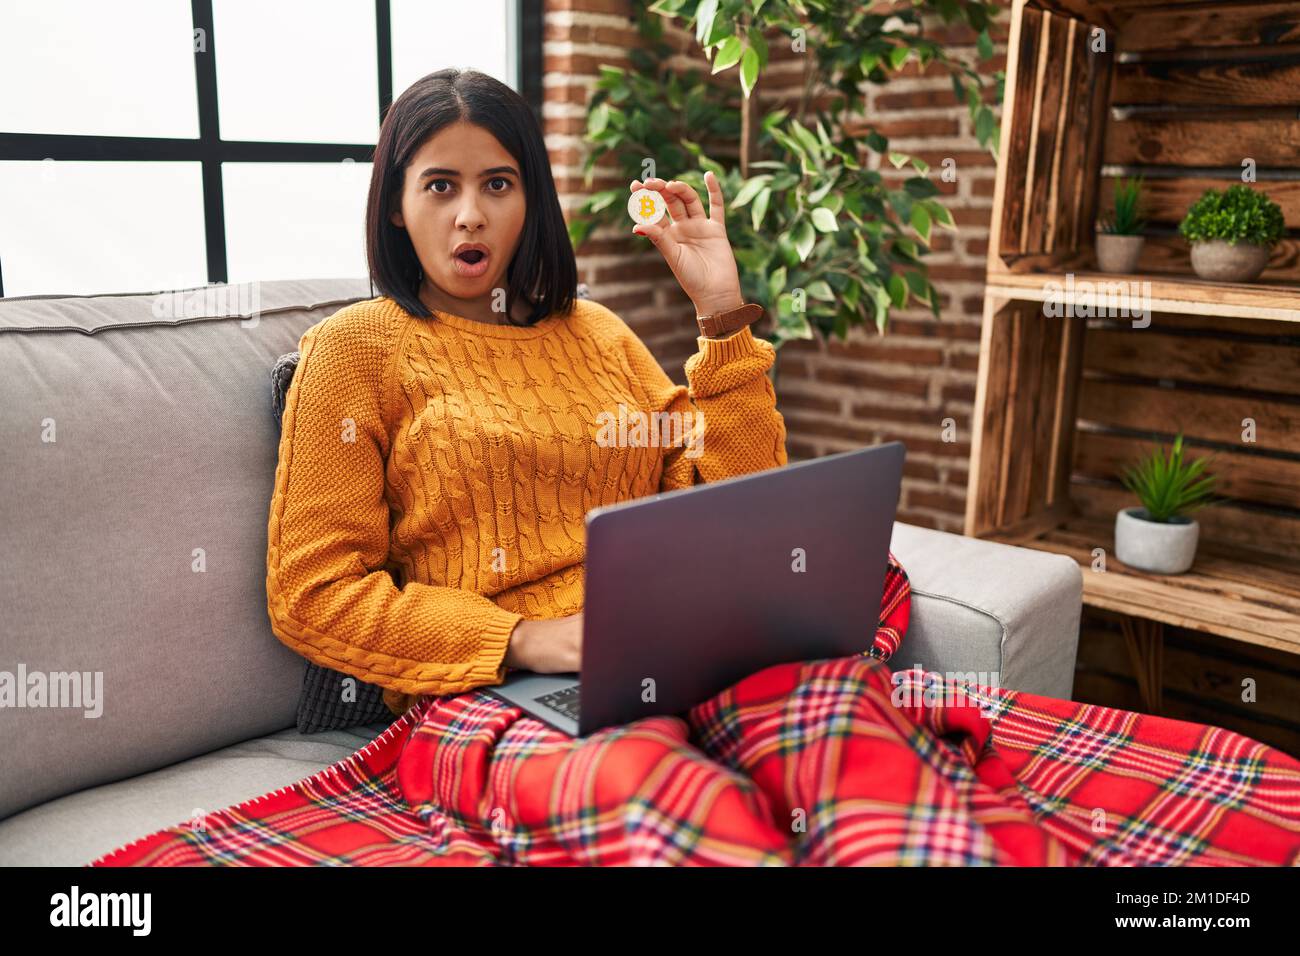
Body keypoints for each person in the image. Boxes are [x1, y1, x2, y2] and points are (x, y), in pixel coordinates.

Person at [265, 67, 810, 718]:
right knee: (663, 786)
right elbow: (315, 593)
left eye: (498, 185)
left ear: (531, 201)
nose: (470, 216)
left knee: (839, 729)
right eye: (440, 186)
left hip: (658, 645)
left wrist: (720, 311)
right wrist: (521, 639)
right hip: (489, 694)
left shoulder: (598, 332)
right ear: (395, 205)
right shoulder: (355, 348)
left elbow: (738, 515)